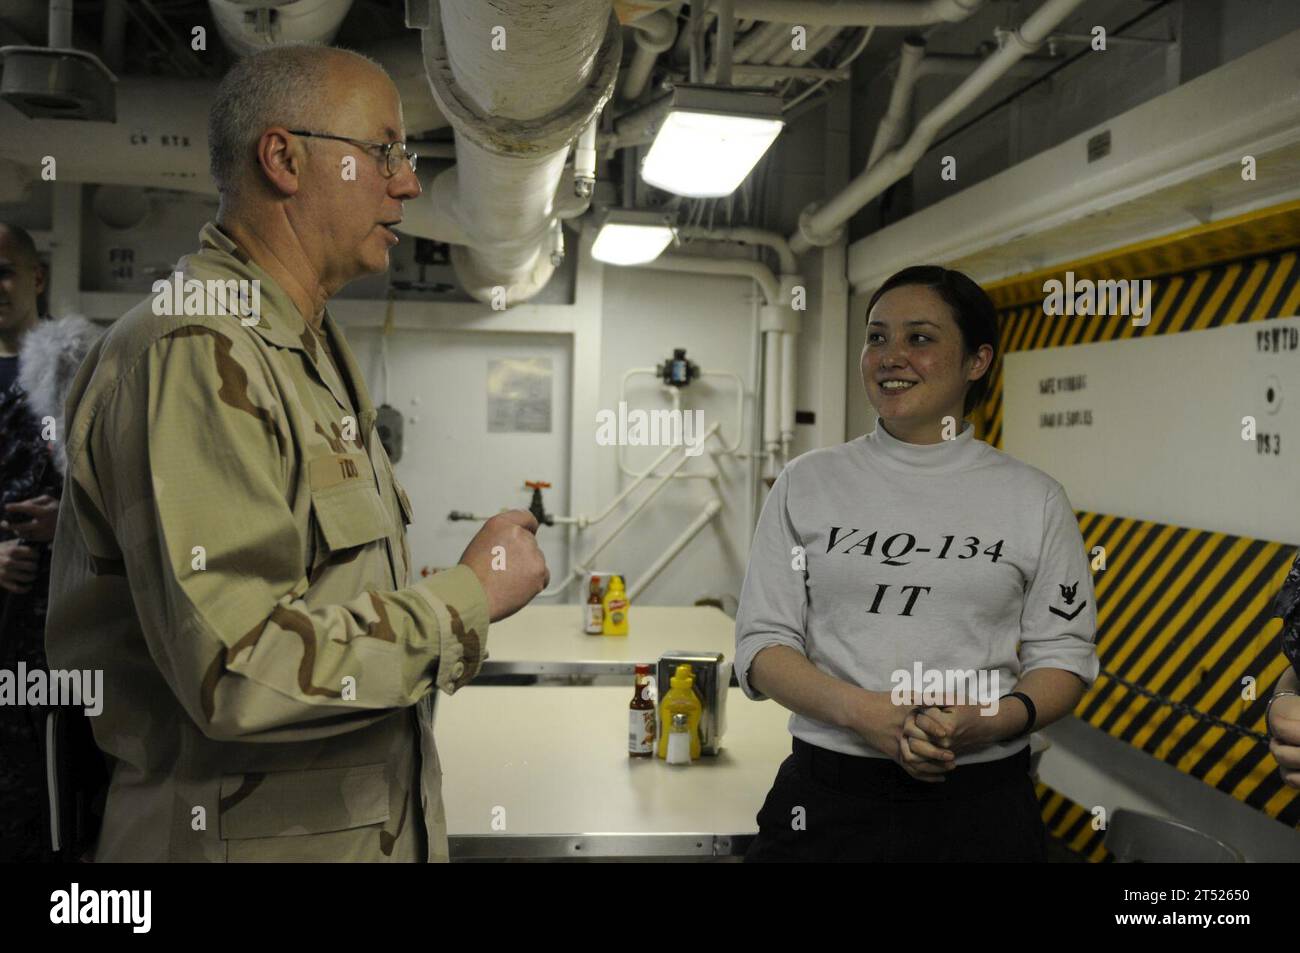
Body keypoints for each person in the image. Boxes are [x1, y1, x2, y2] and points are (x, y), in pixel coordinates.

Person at [44, 44, 548, 862]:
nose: (411, 183)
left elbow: (298, 602)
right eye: (384, 150)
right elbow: (237, 669)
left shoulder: (294, 345)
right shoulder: (198, 352)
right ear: (283, 158)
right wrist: (467, 598)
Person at [735, 265, 1098, 862]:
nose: (890, 356)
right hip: (828, 798)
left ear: (976, 362)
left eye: (920, 339)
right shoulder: (809, 482)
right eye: (876, 337)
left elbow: (1064, 656)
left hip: (982, 805)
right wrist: (865, 713)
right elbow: (763, 644)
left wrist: (995, 719)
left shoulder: (1034, 498)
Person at [0, 222, 100, 861]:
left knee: (66, 806)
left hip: (60, 637)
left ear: (36, 277)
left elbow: (130, 493)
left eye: (4, 270)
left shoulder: (81, 368)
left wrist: (68, 523)